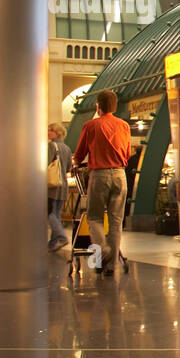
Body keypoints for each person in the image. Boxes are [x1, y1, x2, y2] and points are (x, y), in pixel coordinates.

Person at [73, 88, 132, 275]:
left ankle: (101, 248)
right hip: (120, 175)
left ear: (98, 106)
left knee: (94, 217)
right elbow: (128, 153)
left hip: (100, 175)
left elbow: (80, 153)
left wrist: (77, 162)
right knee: (116, 221)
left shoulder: (91, 125)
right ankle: (111, 265)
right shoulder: (124, 125)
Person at [47, 122, 73, 252]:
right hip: (63, 185)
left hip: (52, 186)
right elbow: (69, 167)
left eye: (50, 130)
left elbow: (45, 164)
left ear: (57, 132)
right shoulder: (67, 148)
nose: (48, 132)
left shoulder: (51, 146)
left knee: (48, 213)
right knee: (56, 213)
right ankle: (53, 243)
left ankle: (62, 237)